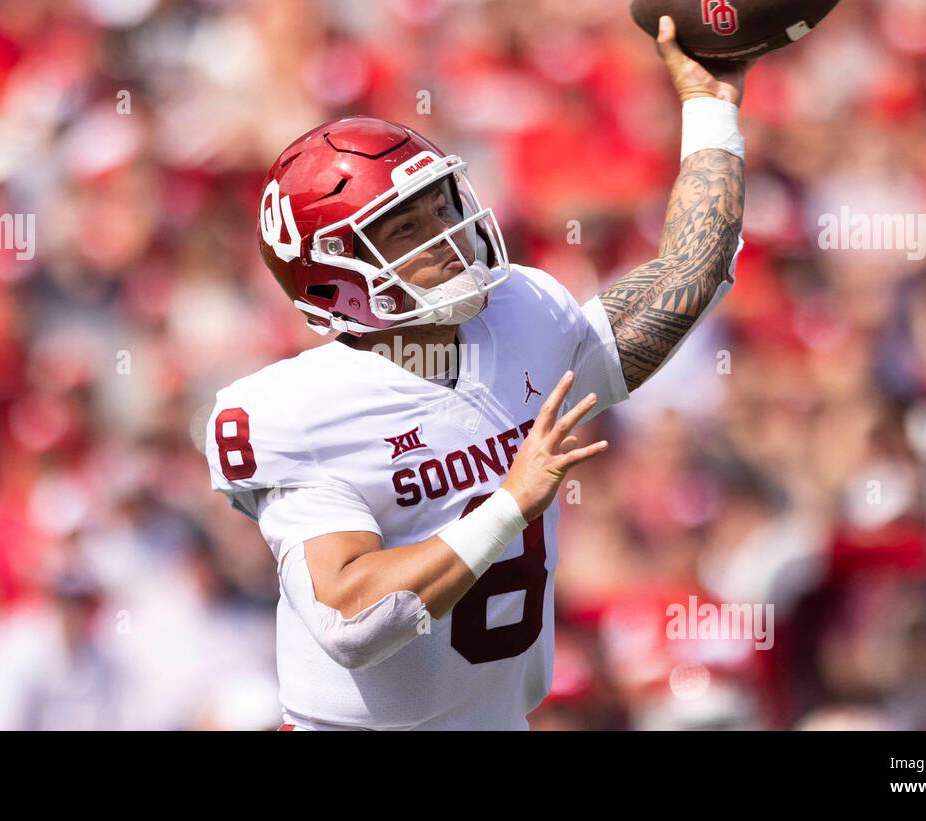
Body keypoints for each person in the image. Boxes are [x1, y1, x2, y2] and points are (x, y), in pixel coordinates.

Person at [206, 17, 750, 730]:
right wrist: (509, 504)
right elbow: (352, 619)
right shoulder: (297, 410)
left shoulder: (524, 315)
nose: (448, 237)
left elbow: (689, 274)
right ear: (331, 277)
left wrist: (710, 105)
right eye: (405, 229)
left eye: (443, 208)